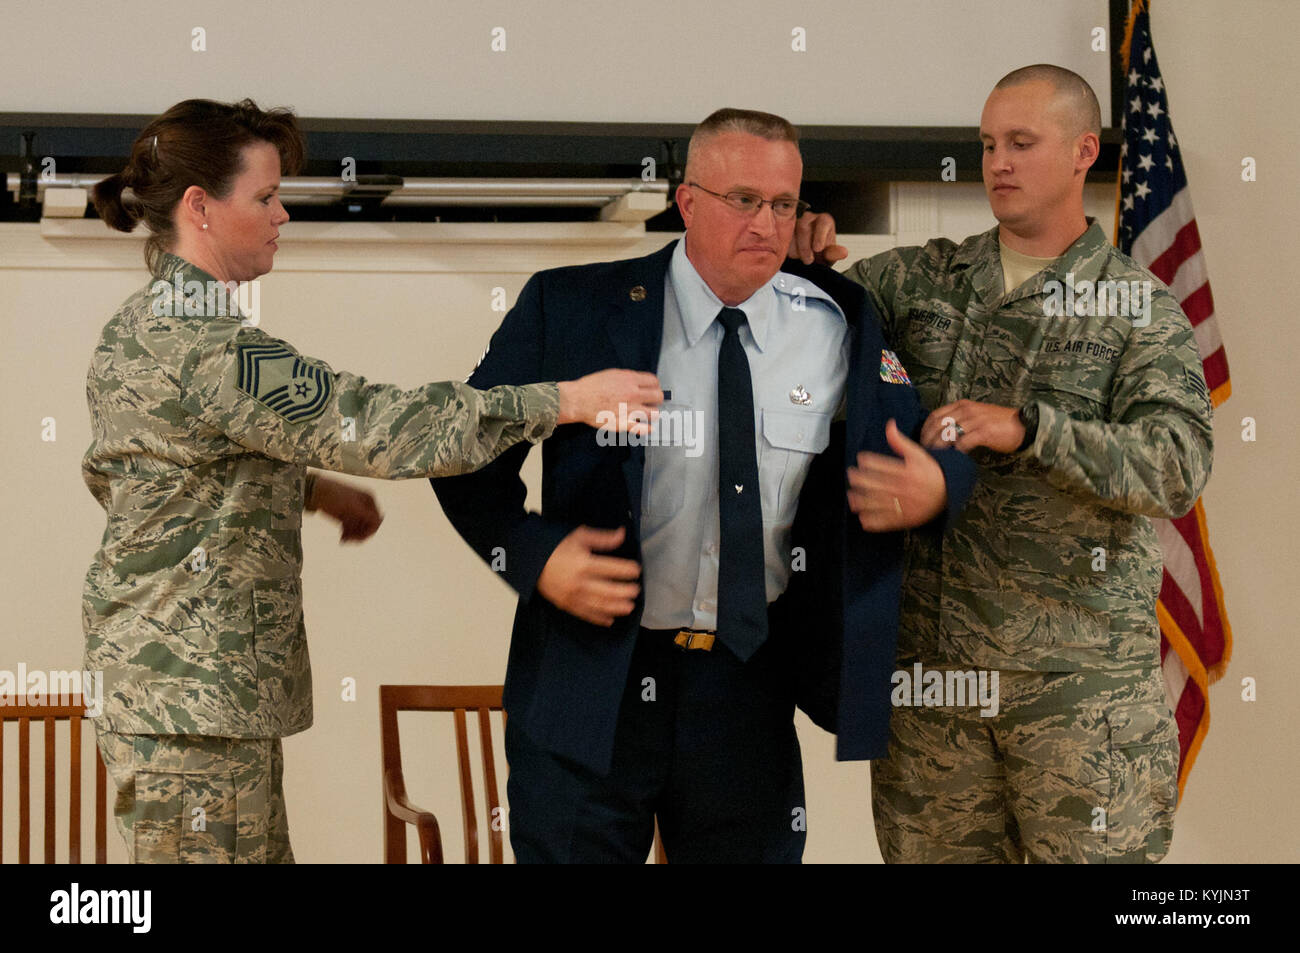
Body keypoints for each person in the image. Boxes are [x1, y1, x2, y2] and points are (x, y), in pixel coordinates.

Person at [82, 98, 660, 864]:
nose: (282, 214)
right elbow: (373, 421)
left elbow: (158, 473)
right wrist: (563, 400)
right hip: (193, 705)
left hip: (176, 696)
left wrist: (310, 490)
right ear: (201, 208)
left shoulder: (142, 323)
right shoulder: (202, 342)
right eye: (263, 197)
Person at [433, 108, 974, 863]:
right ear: (687, 203)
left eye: (784, 204)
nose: (767, 221)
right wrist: (534, 555)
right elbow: (461, 446)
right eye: (743, 199)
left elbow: (929, 437)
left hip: (748, 690)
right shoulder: (574, 307)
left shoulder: (837, 322)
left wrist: (940, 486)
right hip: (591, 688)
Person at [792, 65, 1214, 862]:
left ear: (1085, 149)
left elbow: (1177, 465)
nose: (998, 163)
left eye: (1022, 142)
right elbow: (798, 351)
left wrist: (1033, 430)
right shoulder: (914, 281)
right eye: (988, 145)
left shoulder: (1136, 307)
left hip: (1079, 700)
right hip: (932, 695)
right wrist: (798, 257)